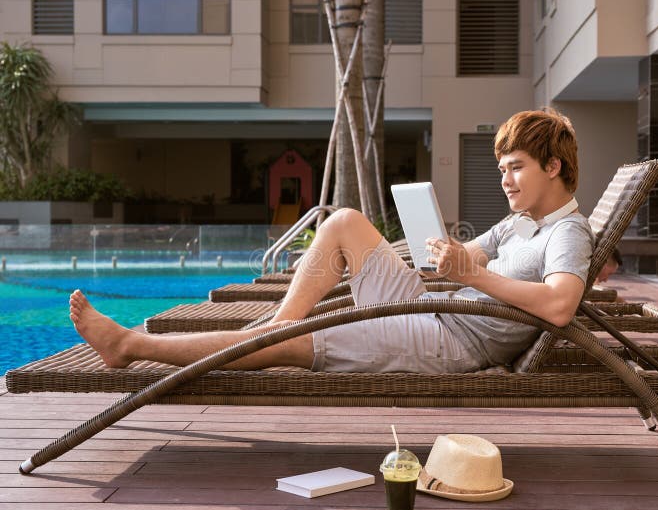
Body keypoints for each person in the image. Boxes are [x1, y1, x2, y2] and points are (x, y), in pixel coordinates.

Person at [70, 109, 594, 374]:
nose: (505, 181)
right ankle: (277, 325)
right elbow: (460, 262)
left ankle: (130, 346)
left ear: (552, 167)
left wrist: (471, 275)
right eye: (501, 169)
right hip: (436, 308)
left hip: (452, 342)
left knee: (291, 343)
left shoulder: (568, 231)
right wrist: (442, 255)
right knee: (344, 221)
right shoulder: (520, 221)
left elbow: (560, 305)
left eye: (515, 168)